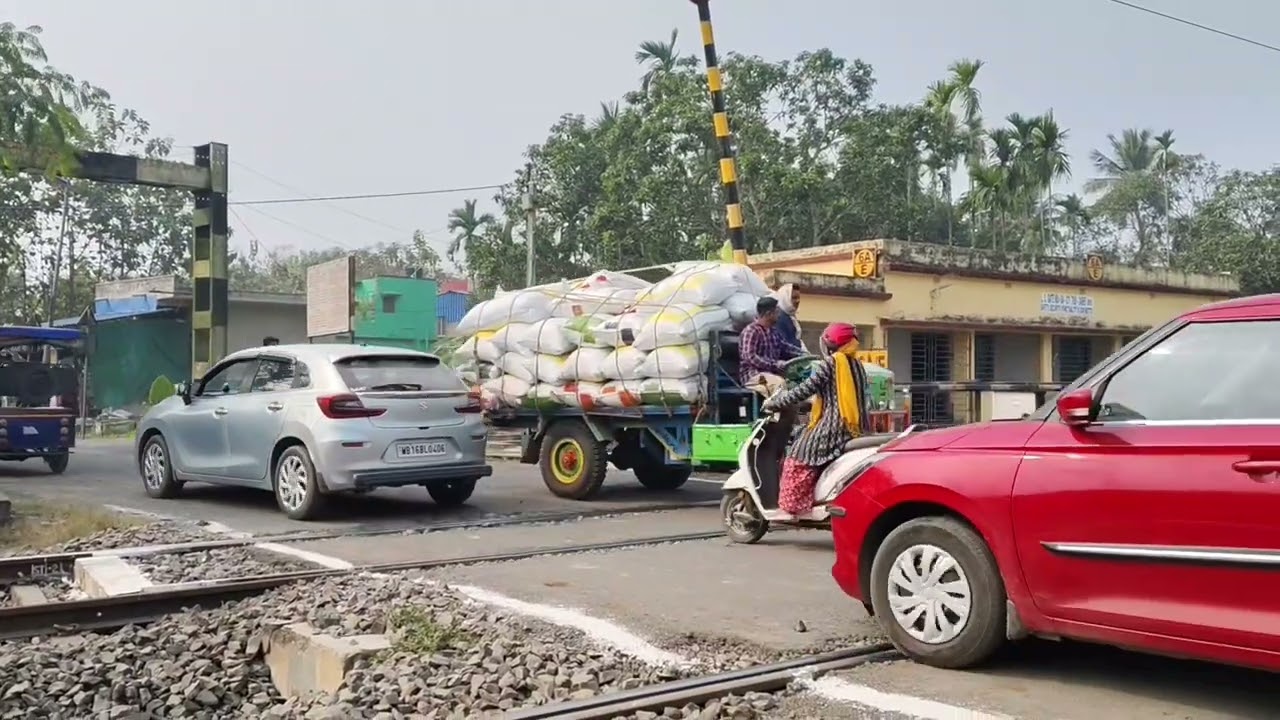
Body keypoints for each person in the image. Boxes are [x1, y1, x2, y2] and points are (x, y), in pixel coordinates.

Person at [763, 322, 871, 518]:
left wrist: (776, 403)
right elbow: (830, 393)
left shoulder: (830, 363)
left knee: (798, 455)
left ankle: (792, 507)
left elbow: (806, 388)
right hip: (856, 425)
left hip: (835, 425)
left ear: (829, 343)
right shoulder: (856, 365)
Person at [739, 296, 801, 398]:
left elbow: (786, 347)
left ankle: (790, 414)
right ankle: (774, 413)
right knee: (779, 384)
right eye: (777, 312)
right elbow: (750, 357)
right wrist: (775, 364)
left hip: (772, 374)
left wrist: (804, 354)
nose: (779, 315)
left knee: (795, 385)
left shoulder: (774, 332)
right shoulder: (751, 331)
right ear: (769, 314)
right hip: (754, 376)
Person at [770, 283, 805, 354]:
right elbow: (785, 345)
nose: (798, 301)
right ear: (785, 298)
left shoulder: (790, 316)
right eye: (794, 298)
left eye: (798, 298)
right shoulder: (779, 318)